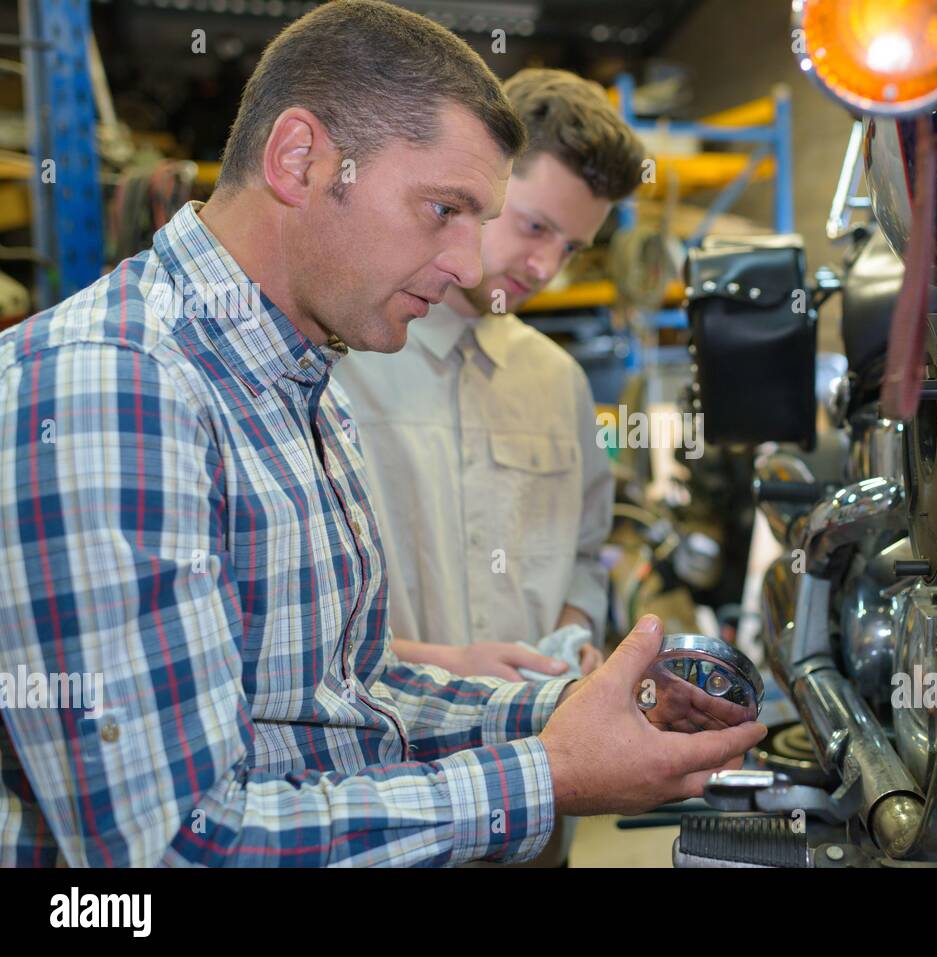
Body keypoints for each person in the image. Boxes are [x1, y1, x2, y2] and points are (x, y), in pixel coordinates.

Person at [0, 0, 763, 867]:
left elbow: (352, 695)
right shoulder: (112, 387)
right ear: (300, 160)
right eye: (444, 209)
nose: (475, 269)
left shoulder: (303, 385)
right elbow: (178, 847)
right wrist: (546, 775)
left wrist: (572, 710)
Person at [332, 68, 642, 684]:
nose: (546, 267)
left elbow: (585, 551)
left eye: (572, 248)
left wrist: (577, 631)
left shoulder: (560, 383)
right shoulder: (337, 359)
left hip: (537, 752)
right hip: (376, 755)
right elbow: (291, 614)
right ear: (480, 182)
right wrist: (449, 667)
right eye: (535, 227)